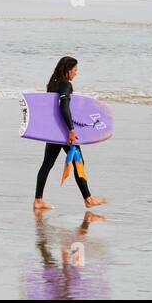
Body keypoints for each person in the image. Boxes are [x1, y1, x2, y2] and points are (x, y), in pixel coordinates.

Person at [32, 56, 108, 211]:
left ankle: (38, 200)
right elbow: (63, 107)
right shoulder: (66, 85)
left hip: (53, 131)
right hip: (64, 132)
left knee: (47, 164)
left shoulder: (52, 84)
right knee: (78, 162)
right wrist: (71, 130)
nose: (76, 73)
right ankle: (88, 199)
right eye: (74, 70)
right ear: (67, 70)